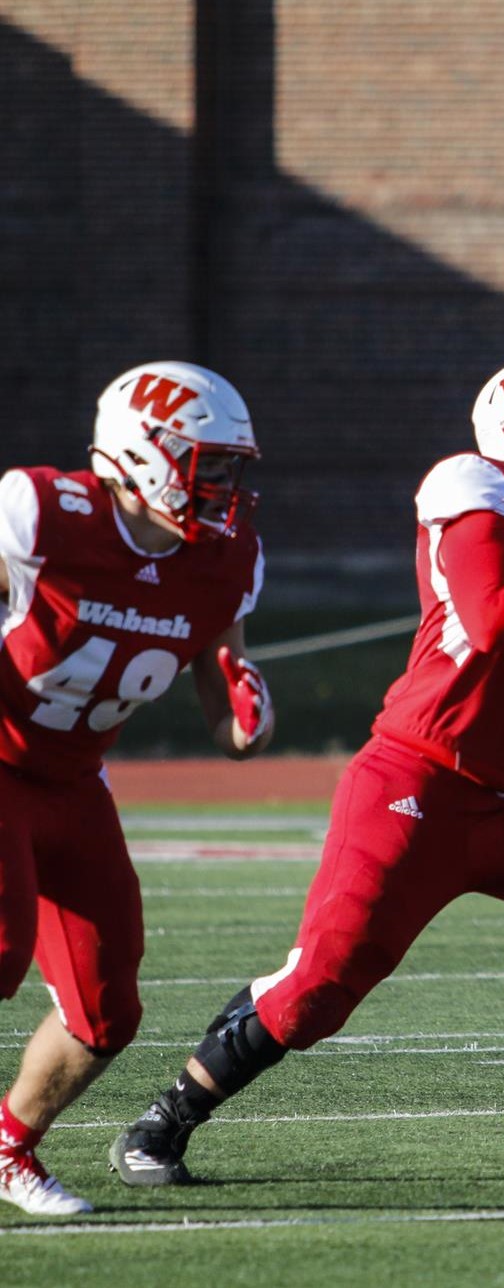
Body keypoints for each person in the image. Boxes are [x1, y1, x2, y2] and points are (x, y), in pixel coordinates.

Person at [110, 353, 504, 1188]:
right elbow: (493, 618)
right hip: (415, 782)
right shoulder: (478, 484)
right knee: (319, 989)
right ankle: (164, 1123)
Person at [0, 362, 272, 1216]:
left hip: (77, 781)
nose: (226, 486)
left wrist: (243, 701)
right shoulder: (42, 513)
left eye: (233, 466)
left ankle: (10, 1148)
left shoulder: (223, 557)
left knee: (105, 1009)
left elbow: (221, 701)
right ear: (143, 454)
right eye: (210, 463)